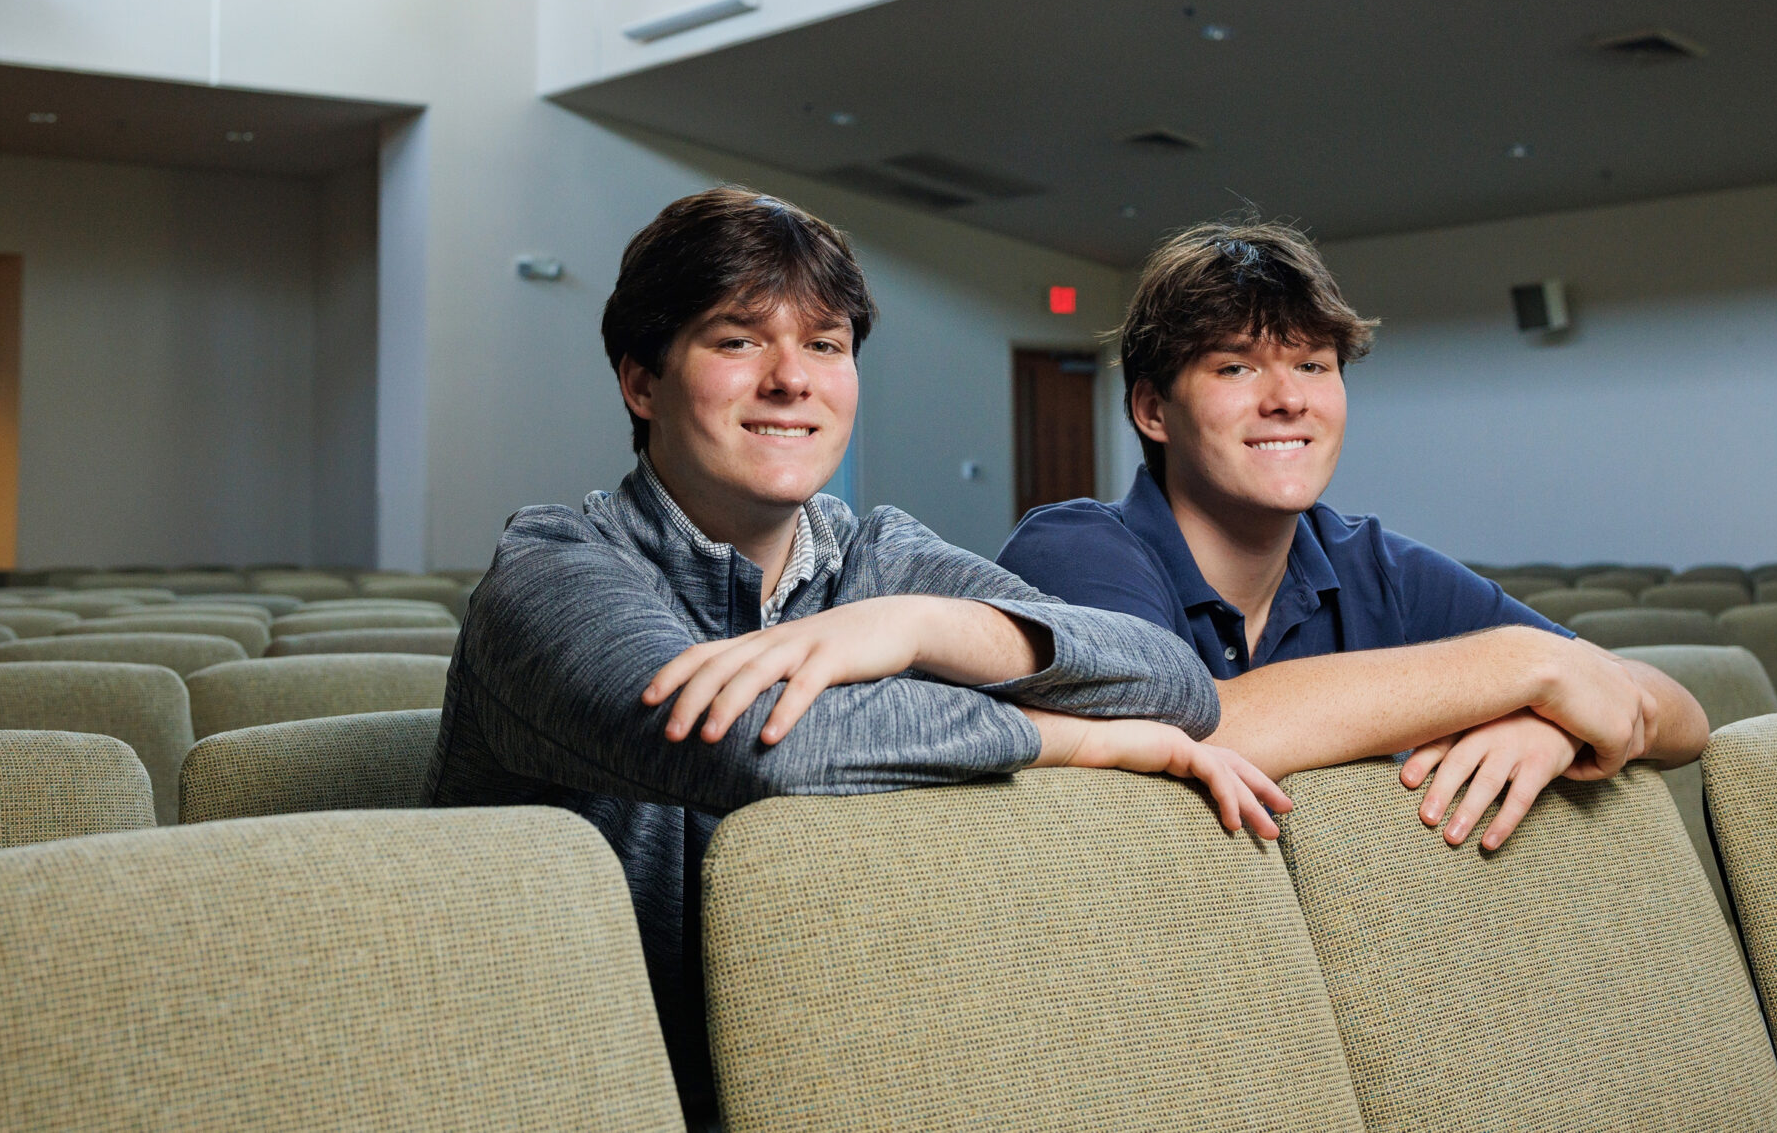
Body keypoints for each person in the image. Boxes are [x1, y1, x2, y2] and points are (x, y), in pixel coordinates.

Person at [427, 188, 1275, 1128]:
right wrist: (1080, 740)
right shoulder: (549, 571)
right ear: (641, 381)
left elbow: (1176, 681)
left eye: (826, 344)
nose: (794, 378)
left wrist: (917, 626)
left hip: (832, 1079)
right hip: (575, 1093)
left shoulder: (877, 556)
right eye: (739, 339)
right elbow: (757, 745)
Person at [998, 217, 1709, 858]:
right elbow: (1196, 730)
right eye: (1236, 365)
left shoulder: (1374, 563)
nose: (1289, 397)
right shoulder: (1071, 549)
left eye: (1313, 364)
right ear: (1154, 409)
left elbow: (1682, 717)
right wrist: (1526, 666)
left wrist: (1556, 729)